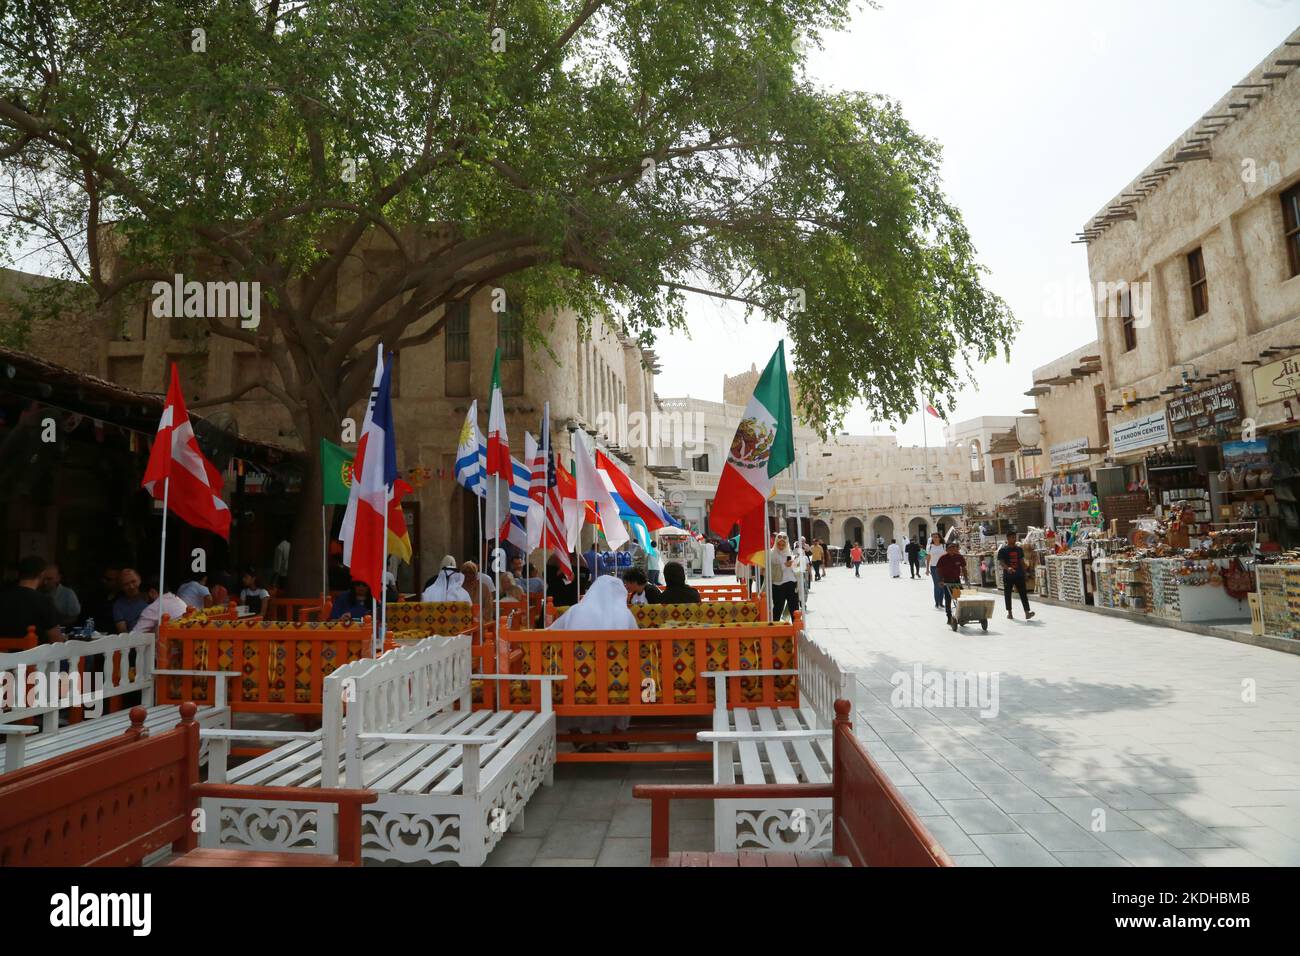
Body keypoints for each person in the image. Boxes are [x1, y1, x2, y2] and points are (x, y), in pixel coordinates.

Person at [548, 575, 635, 751]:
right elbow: (637, 645)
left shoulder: (575, 611)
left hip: (577, 682)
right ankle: (617, 733)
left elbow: (549, 635)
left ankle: (576, 734)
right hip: (617, 684)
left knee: (568, 671)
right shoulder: (625, 614)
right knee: (630, 674)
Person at [0, 554, 63, 643]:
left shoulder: (3, 596)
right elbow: (56, 640)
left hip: (3, 654)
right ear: (42, 574)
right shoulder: (44, 601)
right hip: (32, 655)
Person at [998, 531, 1036, 621]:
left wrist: (1026, 573)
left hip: (1019, 575)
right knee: (1008, 594)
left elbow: (1022, 562)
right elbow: (1001, 562)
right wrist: (1008, 569)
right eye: (1012, 537)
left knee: (1023, 594)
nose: (1014, 539)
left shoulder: (1019, 549)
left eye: (1015, 537)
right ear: (1007, 538)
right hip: (1008, 576)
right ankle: (1010, 613)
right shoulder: (1003, 550)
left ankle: (1027, 613)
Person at [768, 533, 801, 621]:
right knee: (778, 608)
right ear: (776, 543)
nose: (781, 546)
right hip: (778, 584)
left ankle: (796, 629)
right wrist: (784, 565)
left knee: (794, 608)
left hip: (791, 583)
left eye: (783, 544)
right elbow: (770, 570)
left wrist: (796, 563)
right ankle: (775, 629)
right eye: (779, 544)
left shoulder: (789, 552)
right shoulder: (771, 553)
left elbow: (796, 570)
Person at [935, 540, 969, 624]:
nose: (952, 550)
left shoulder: (959, 557)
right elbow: (938, 569)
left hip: (956, 581)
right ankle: (949, 616)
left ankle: (960, 615)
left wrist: (966, 579)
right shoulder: (943, 558)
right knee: (948, 598)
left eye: (954, 548)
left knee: (958, 598)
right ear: (947, 550)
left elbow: (964, 568)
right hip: (947, 581)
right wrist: (940, 580)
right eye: (950, 548)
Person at [39, 562, 81, 626]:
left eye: (49, 579)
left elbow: (74, 617)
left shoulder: (68, 594)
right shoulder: (36, 592)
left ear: (58, 578)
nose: (45, 582)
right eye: (43, 579)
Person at [112, 568, 150, 633]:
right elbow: (123, 633)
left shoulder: (151, 596)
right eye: (126, 584)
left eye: (133, 581)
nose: (131, 586)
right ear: (121, 587)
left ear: (139, 579)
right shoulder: (118, 605)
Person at [927, 532, 946, 611]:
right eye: (933, 537)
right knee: (936, 585)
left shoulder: (943, 546)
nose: (934, 538)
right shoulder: (930, 547)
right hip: (934, 567)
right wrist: (927, 569)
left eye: (936, 537)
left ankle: (941, 602)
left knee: (942, 585)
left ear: (939, 538)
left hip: (943, 567)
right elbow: (928, 558)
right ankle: (937, 602)